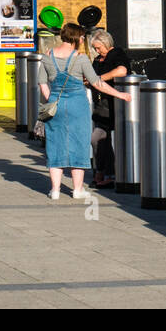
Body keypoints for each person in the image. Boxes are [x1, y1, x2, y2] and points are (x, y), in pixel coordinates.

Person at [39, 22, 129, 200]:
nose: (83, 40)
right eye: (81, 37)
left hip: (56, 105)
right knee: (78, 145)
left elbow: (42, 82)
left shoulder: (48, 56)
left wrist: (53, 100)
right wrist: (119, 94)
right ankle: (77, 189)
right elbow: (97, 83)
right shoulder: (81, 59)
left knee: (55, 145)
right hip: (77, 106)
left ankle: (55, 190)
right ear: (76, 38)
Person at [87, 28, 130, 189]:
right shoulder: (98, 60)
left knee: (101, 139)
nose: (97, 51)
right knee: (99, 140)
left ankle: (107, 174)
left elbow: (121, 71)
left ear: (106, 44)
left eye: (98, 48)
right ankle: (103, 172)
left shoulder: (117, 54)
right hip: (101, 107)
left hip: (114, 105)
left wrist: (97, 80)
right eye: (95, 48)